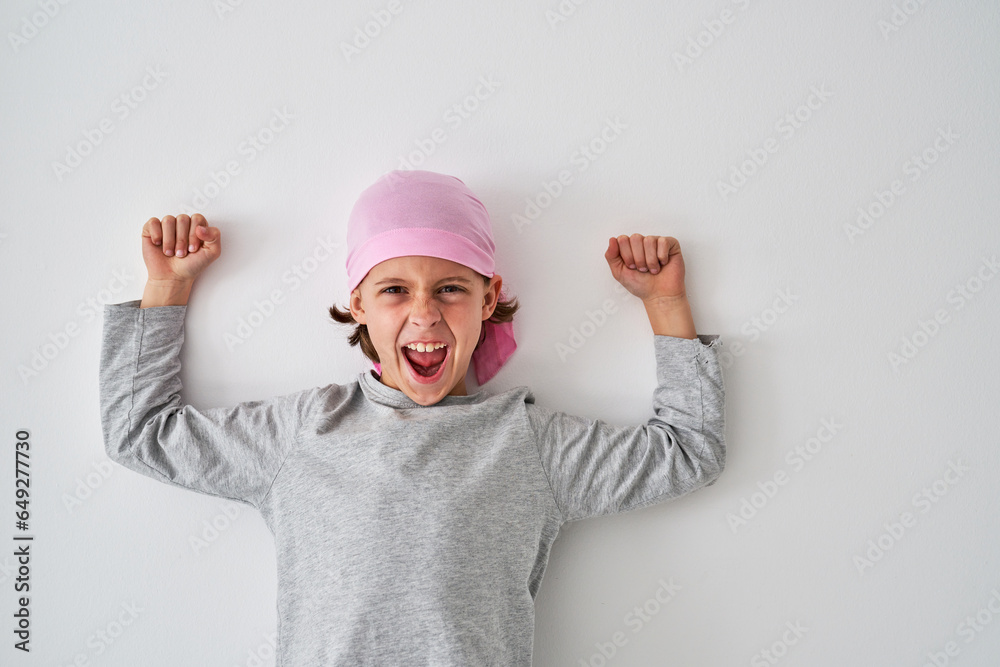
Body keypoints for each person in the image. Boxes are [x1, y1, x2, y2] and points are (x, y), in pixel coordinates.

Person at [99, 169, 726, 665]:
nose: (424, 314)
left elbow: (689, 451)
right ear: (359, 305)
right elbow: (141, 432)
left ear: (489, 298)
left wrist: (667, 304)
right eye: (395, 289)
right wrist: (168, 289)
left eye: (451, 288)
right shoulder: (303, 433)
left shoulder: (528, 443)